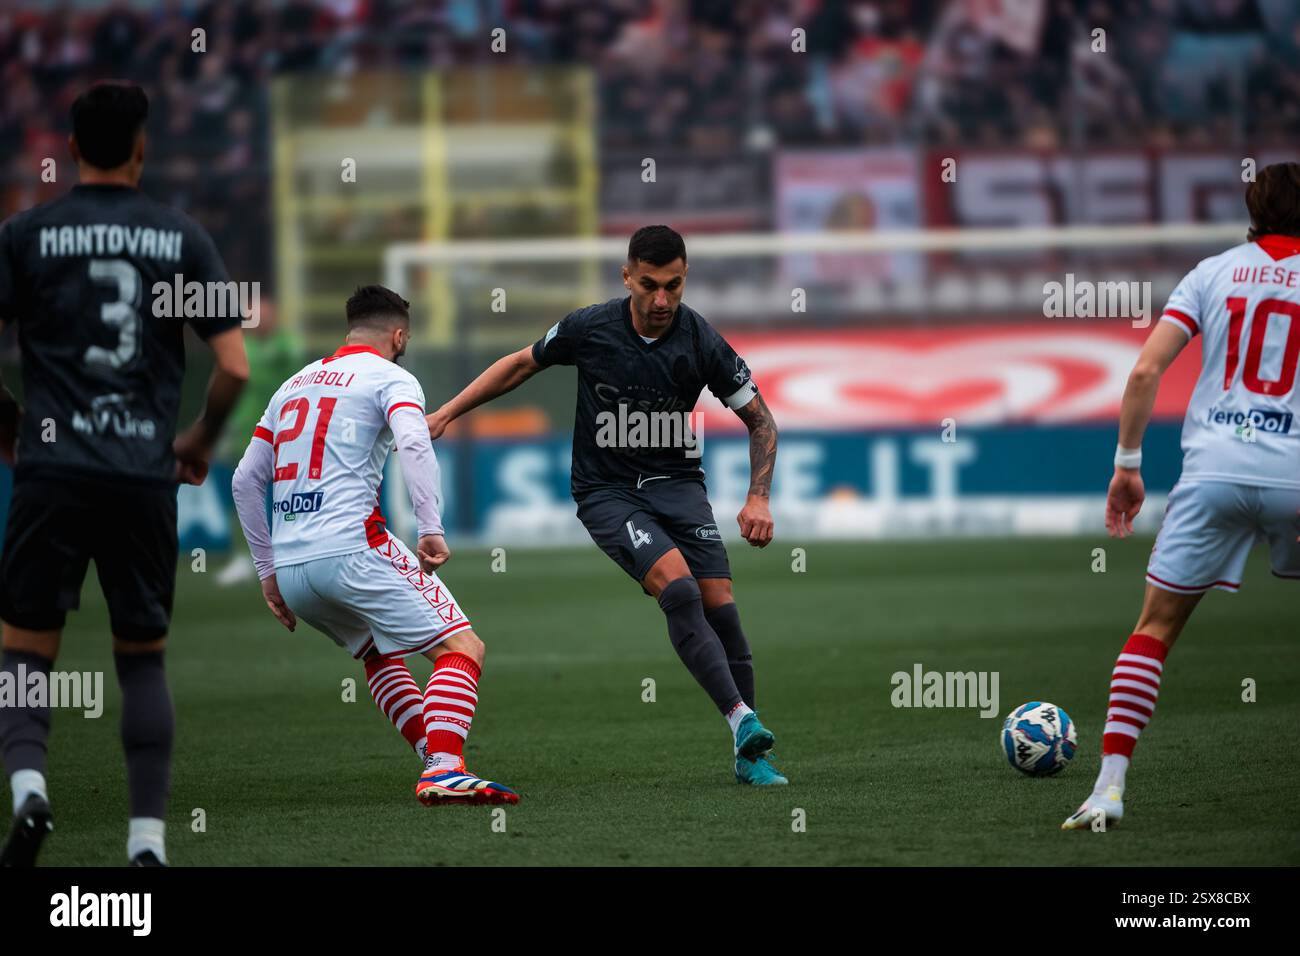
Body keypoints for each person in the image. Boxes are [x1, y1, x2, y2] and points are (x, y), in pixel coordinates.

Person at [427, 225, 788, 786]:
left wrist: (758, 495)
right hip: (607, 492)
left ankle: (750, 757)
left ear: (685, 277)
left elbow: (760, 419)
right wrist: (448, 411)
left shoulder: (701, 341)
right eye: (649, 285)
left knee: (723, 609)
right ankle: (742, 719)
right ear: (627, 277)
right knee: (680, 589)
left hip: (678, 484)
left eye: (673, 286)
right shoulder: (589, 327)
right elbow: (521, 363)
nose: (662, 300)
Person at [0, 82, 249, 866]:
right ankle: (147, 844)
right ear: (143, 148)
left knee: (24, 654)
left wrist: (11, 428)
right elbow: (234, 367)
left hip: (51, 470)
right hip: (142, 474)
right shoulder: (178, 238)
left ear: (69, 148)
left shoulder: (25, 233)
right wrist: (198, 438)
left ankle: (30, 791)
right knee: (141, 658)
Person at [1063, 162, 1300, 830]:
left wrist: (1127, 465)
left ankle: (1108, 790)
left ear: (1254, 212)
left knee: (1154, 631)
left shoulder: (1213, 272)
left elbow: (1145, 369)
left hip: (1213, 470)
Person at [231, 285, 518, 806]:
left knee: (378, 654)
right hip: (354, 547)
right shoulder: (391, 376)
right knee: (461, 648)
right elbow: (414, 440)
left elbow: (245, 479)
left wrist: (268, 572)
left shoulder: (291, 386)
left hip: (296, 569)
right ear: (399, 335)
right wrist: (431, 526)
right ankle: (445, 768)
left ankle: (435, 758)